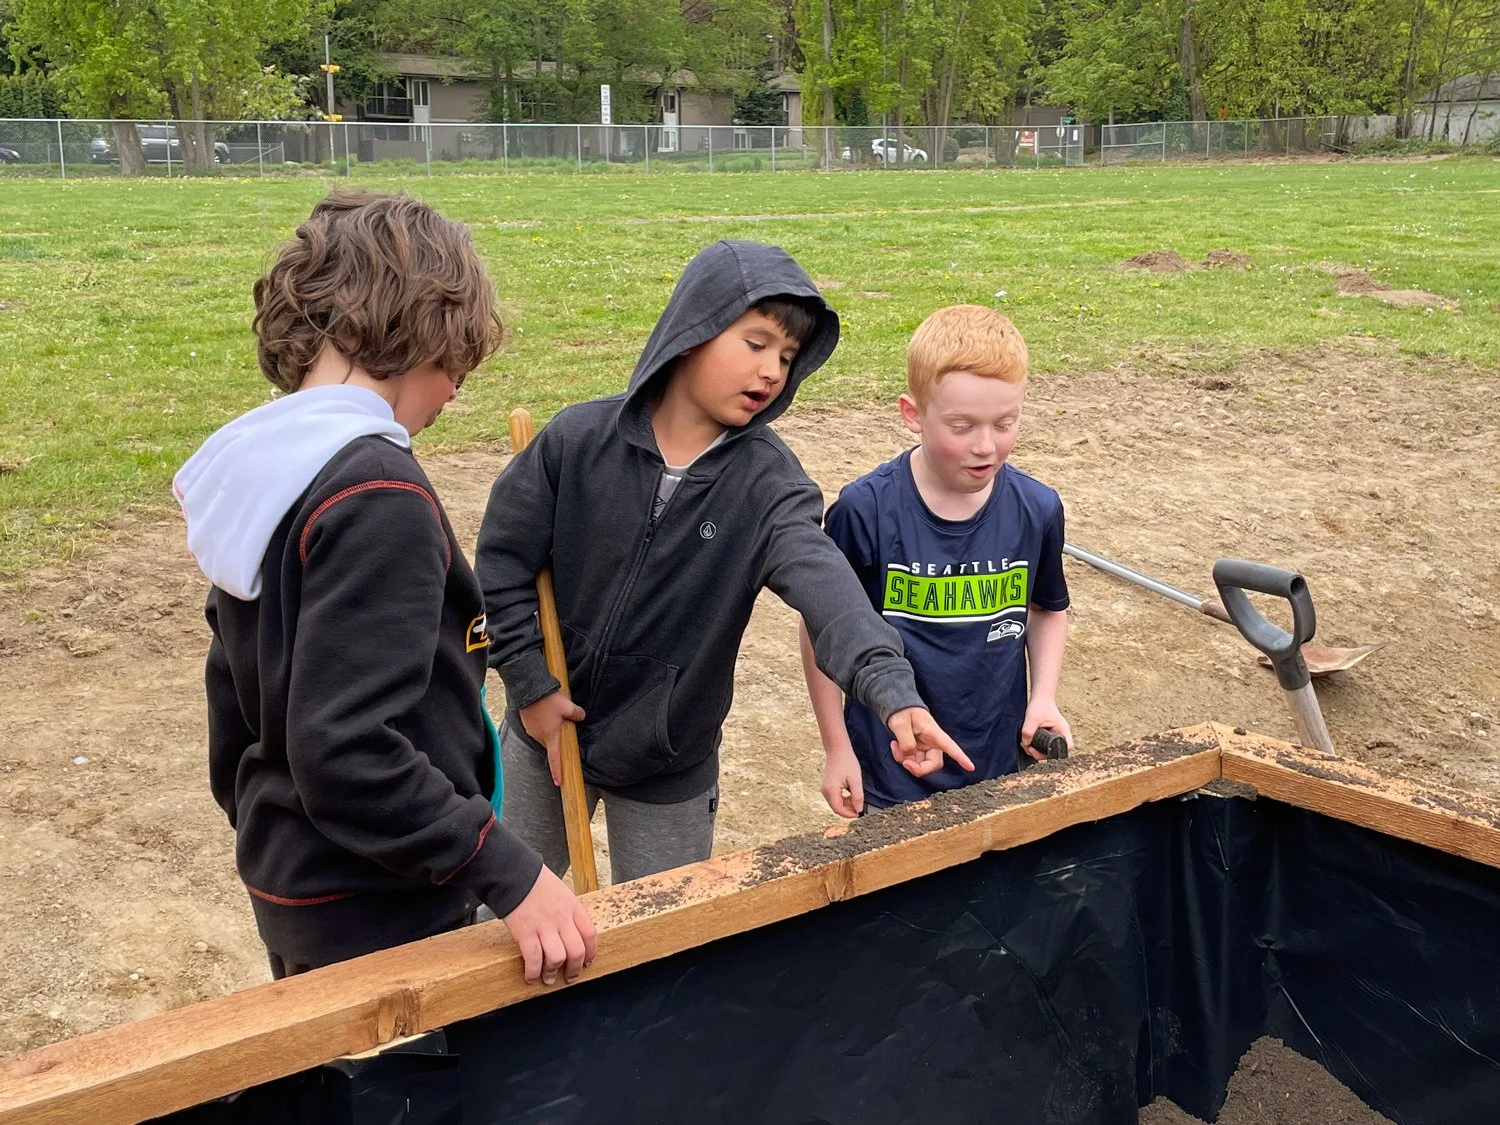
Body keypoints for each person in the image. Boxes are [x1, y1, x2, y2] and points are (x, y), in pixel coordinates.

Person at [173, 191, 594, 984]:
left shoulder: (266, 469)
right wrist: (511, 872)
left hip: (299, 877)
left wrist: (271, 826)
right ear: (418, 328)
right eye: (456, 362)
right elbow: (347, 749)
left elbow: (233, 693)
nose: (457, 389)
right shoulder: (379, 493)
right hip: (382, 895)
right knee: (404, 1065)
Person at [476, 239, 970, 883]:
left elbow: (833, 598)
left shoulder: (771, 487)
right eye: (756, 343)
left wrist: (894, 695)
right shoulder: (576, 441)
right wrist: (531, 689)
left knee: (665, 930)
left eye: (787, 357)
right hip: (545, 731)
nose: (772, 371)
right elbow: (501, 568)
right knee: (496, 913)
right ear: (692, 331)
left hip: (669, 764)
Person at [799, 304, 1071, 816]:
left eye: (1005, 423)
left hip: (998, 762)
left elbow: (1048, 609)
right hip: (891, 769)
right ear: (913, 414)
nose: (985, 446)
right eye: (962, 426)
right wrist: (837, 748)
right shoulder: (864, 510)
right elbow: (825, 630)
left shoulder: (1037, 509)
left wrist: (1043, 698)